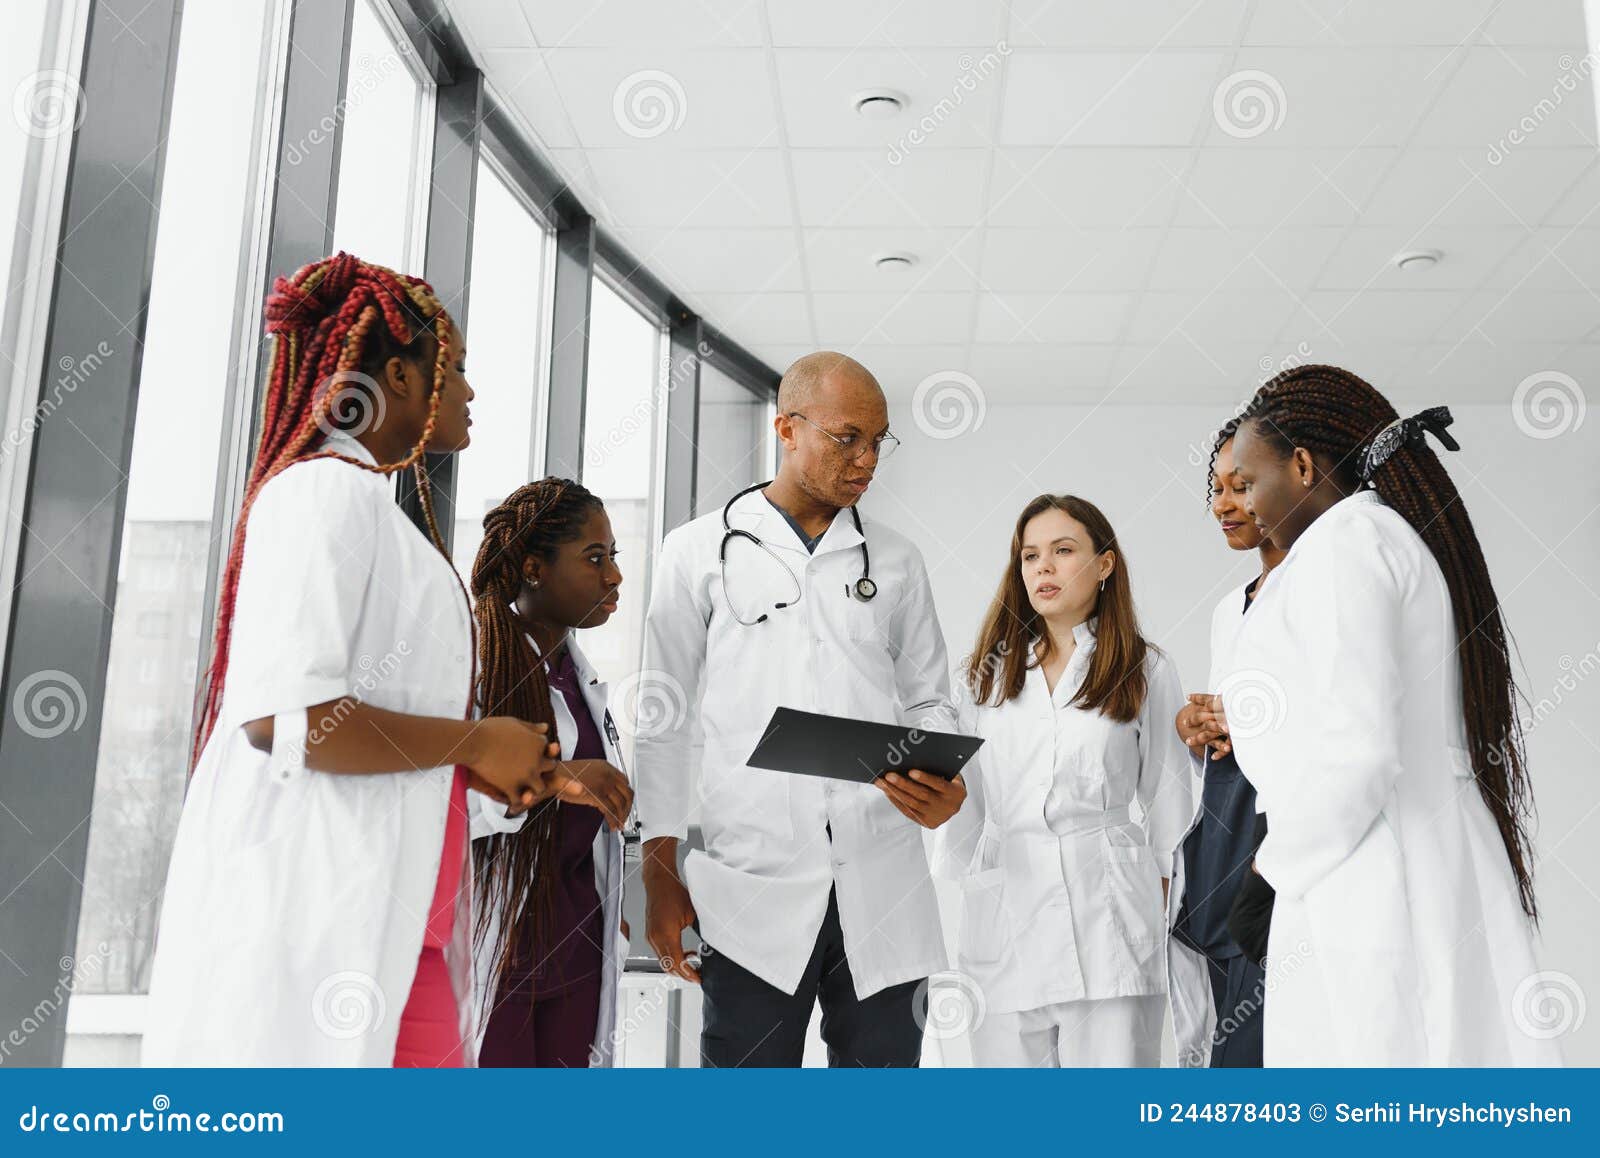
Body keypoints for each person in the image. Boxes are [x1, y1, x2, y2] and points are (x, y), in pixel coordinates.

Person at [144, 254, 560, 1066]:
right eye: (458, 370)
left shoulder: (376, 514)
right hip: (320, 939)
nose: (470, 392)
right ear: (399, 376)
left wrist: (488, 781)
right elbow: (287, 721)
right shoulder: (318, 497)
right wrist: (475, 743)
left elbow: (376, 747)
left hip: (403, 938)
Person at [635, 351, 968, 1068]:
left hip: (882, 883)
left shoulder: (898, 560)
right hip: (753, 884)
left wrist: (942, 782)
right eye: (848, 436)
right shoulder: (696, 552)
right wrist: (658, 862)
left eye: (880, 439)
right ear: (787, 428)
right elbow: (664, 716)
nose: (868, 458)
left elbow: (931, 699)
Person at [1221, 364, 1560, 1066]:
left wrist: (1272, 871)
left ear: (1304, 465)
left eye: (1249, 482)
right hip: (1392, 854)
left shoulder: (1345, 548)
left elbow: (1359, 750)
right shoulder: (1376, 540)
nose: (1243, 505)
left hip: (1366, 869)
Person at [938, 494, 1194, 1067]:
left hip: (1110, 919)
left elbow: (1171, 799)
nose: (1043, 568)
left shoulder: (1145, 669)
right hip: (1007, 913)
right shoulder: (983, 675)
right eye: (1030, 556)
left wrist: (1160, 896)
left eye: (1062, 550)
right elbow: (964, 804)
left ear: (1104, 564)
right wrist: (973, 883)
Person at [467, 478, 634, 1068]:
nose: (613, 576)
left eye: (613, 557)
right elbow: (430, 798)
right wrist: (551, 777)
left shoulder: (579, 679)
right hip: (500, 954)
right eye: (594, 558)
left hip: (579, 949)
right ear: (534, 569)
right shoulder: (476, 673)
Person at [1166, 421, 1284, 1068]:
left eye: (1241, 486)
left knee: (1267, 1041)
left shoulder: (1323, 588)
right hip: (1223, 829)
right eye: (1215, 488)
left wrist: (1251, 722)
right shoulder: (1230, 606)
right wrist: (1197, 724)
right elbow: (1234, 714)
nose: (1223, 504)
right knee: (1226, 1046)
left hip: (1279, 840)